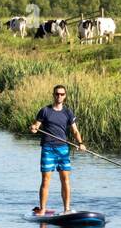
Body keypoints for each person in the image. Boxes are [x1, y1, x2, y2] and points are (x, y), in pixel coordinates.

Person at [30, 85, 86, 214]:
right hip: (48, 148)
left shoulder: (68, 112)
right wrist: (33, 128)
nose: (59, 96)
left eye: (62, 94)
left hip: (63, 149)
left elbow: (75, 130)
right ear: (53, 95)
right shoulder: (45, 111)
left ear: (65, 96)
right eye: (57, 94)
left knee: (65, 179)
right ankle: (42, 209)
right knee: (45, 180)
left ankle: (67, 209)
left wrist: (81, 143)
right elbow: (36, 126)